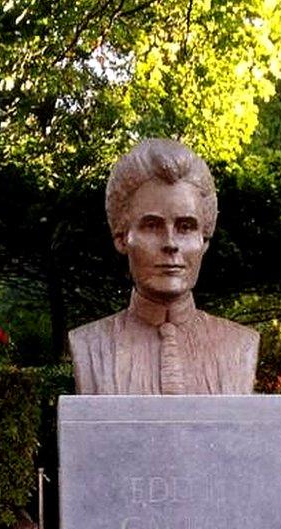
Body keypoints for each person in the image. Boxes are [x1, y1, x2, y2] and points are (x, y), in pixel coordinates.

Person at [68, 139, 258, 395]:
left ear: (204, 241)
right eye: (152, 226)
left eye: (185, 227)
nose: (170, 244)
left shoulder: (241, 345)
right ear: (122, 237)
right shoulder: (89, 344)